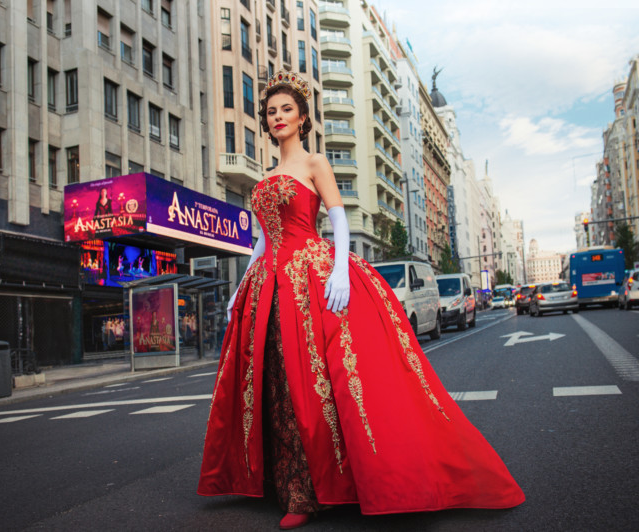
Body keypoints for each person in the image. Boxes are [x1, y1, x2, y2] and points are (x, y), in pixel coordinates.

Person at [198, 71, 525, 529]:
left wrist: (339, 270)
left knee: (318, 382)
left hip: (308, 274)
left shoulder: (314, 165)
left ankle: (324, 487)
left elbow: (337, 216)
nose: (277, 117)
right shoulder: (267, 175)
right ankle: (291, 485)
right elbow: (261, 238)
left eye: (286, 109)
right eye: (271, 111)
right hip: (267, 283)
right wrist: (240, 286)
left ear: (303, 117)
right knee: (275, 383)